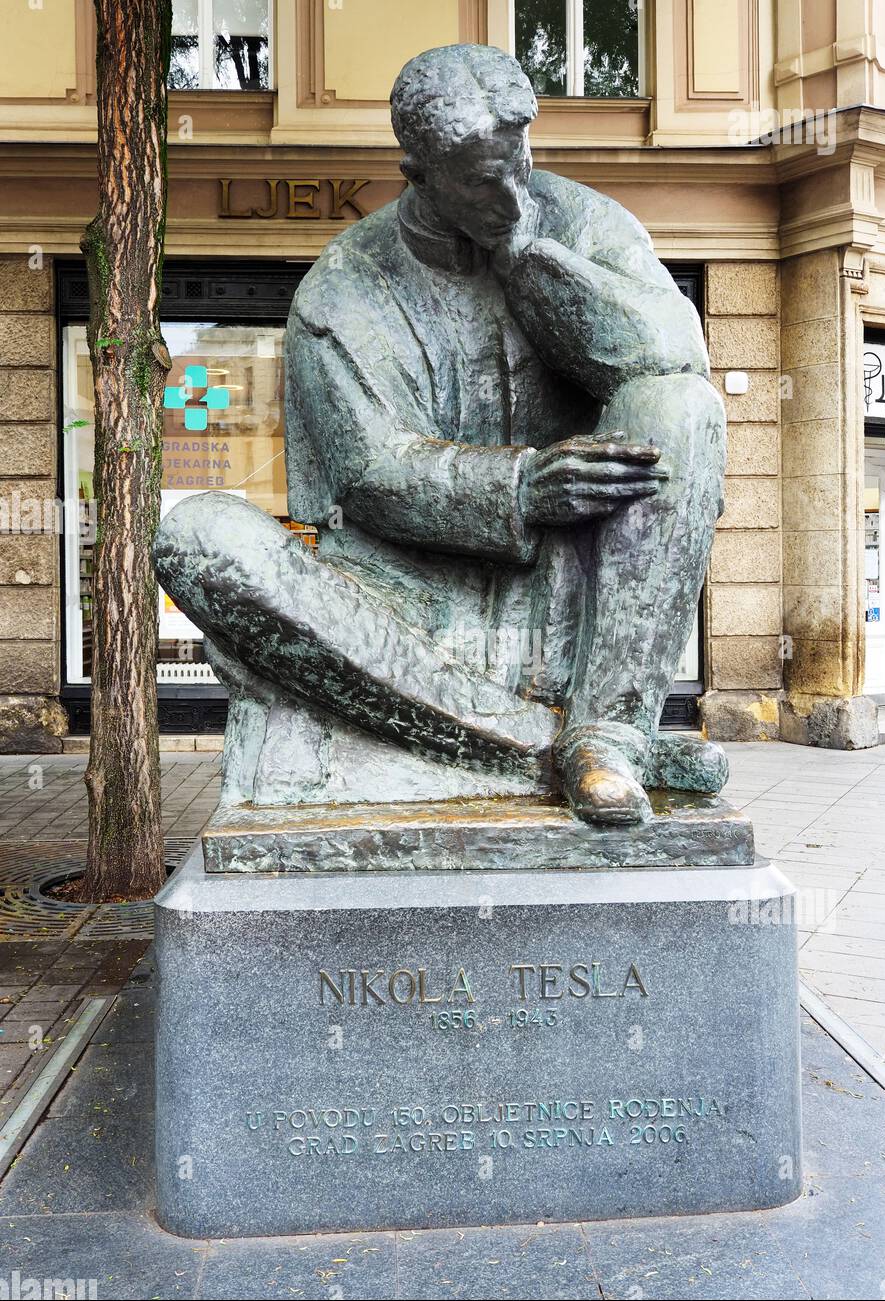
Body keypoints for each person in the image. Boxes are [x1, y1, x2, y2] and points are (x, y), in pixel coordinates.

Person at [154, 44, 728, 826]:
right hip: (399, 606)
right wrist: (519, 487)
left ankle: (606, 731)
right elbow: (367, 471)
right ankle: (537, 746)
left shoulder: (584, 222)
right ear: (416, 172)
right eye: (477, 175)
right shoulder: (346, 282)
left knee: (681, 410)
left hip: (566, 597)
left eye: (516, 157)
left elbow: (667, 357)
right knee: (197, 535)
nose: (509, 185)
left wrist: (529, 261)